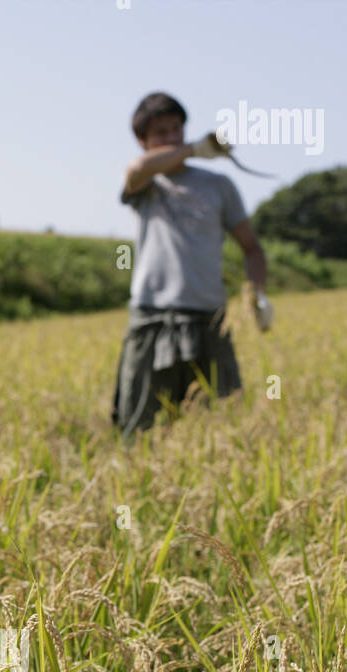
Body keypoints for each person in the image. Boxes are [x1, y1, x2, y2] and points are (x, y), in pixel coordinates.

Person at [112, 92, 270, 441]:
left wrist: (257, 292)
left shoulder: (218, 186)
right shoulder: (147, 185)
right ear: (142, 141)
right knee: (140, 428)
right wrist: (196, 149)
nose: (171, 138)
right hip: (153, 318)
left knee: (225, 426)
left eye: (176, 130)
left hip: (210, 318)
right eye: (160, 133)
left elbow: (252, 249)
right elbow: (137, 168)